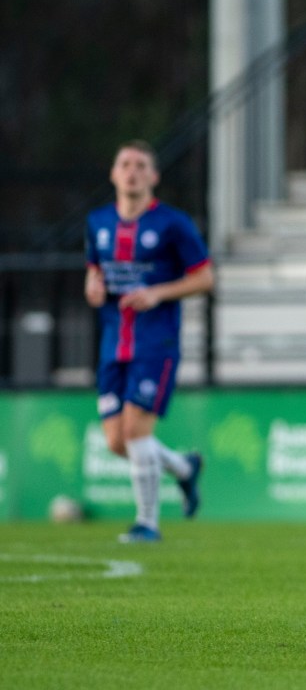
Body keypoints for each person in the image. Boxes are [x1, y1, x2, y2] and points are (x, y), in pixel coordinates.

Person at [84, 140, 214, 543]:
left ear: (154, 176)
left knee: (137, 433)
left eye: (141, 165)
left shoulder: (173, 224)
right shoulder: (98, 222)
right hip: (113, 343)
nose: (132, 171)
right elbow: (95, 267)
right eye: (125, 164)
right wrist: (91, 281)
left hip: (155, 343)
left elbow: (205, 278)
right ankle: (184, 469)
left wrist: (158, 293)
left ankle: (147, 524)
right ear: (113, 173)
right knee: (117, 442)